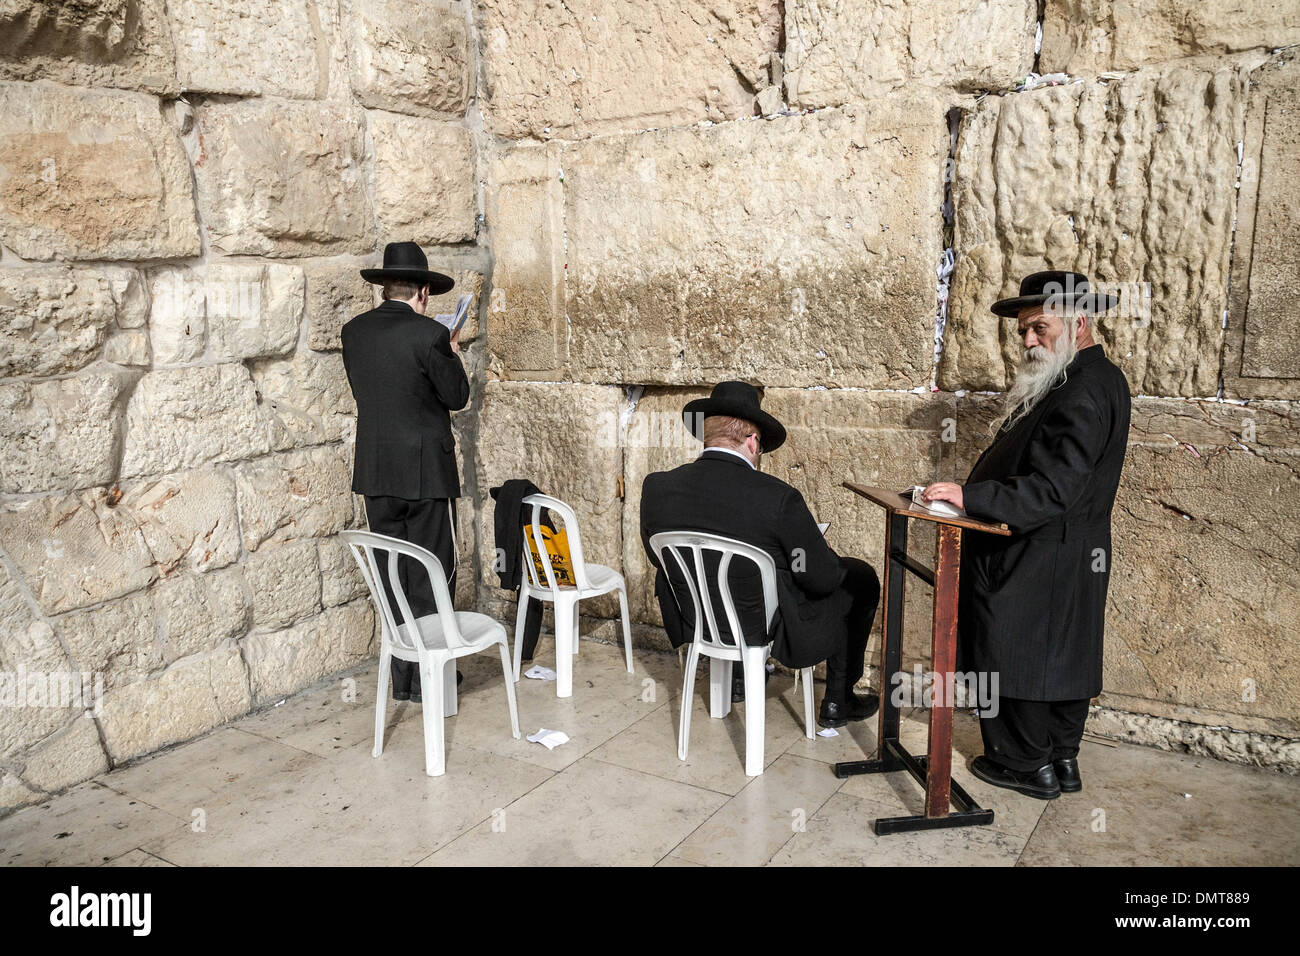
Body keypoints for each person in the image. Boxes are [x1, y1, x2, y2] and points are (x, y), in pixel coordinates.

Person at [922, 270, 1131, 799]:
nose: (1028, 341)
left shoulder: (1080, 393)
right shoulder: (1091, 378)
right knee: (1062, 655)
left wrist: (969, 497)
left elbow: (1052, 489)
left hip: (1038, 549)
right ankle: (1061, 761)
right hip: (1073, 550)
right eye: (1022, 332)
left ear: (1079, 322)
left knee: (1014, 651)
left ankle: (1021, 764)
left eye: (1040, 328)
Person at [640, 381, 881, 727]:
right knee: (858, 576)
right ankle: (837, 700)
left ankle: (739, 679)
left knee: (734, 578)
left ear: (707, 436)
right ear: (753, 441)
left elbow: (657, 557)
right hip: (763, 625)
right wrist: (816, 552)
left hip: (697, 619)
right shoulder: (779, 498)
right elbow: (821, 578)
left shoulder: (657, 487)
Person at [341, 242, 469, 703]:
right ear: (423, 292)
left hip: (376, 474)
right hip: (426, 475)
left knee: (392, 574)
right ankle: (431, 681)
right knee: (432, 575)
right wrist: (451, 350)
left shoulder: (353, 332)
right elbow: (456, 397)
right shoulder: (429, 335)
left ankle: (403, 679)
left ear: (385, 288)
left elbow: (370, 392)